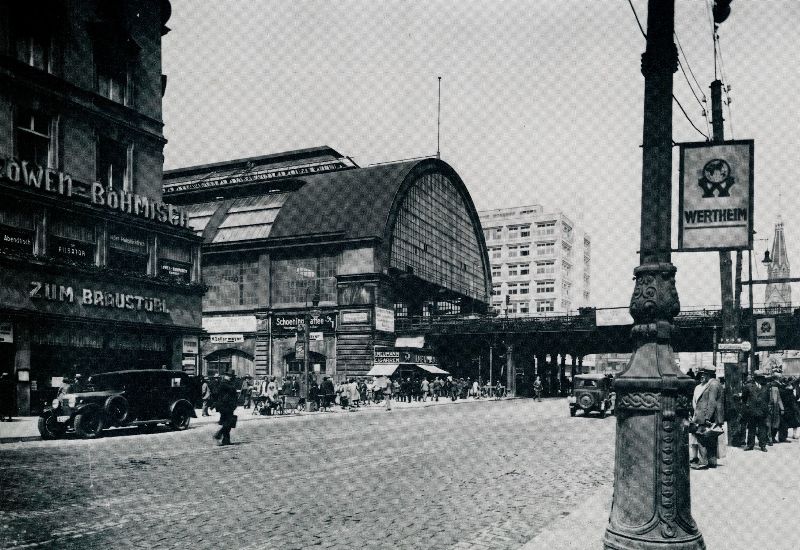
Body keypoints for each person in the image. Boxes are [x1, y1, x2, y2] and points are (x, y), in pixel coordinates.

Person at [690, 366, 724, 469]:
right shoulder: (716, 383)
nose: (702, 376)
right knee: (712, 439)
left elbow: (712, 402)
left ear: (709, 374)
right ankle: (712, 462)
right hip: (714, 416)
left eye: (704, 374)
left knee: (702, 438)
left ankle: (703, 462)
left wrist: (707, 418)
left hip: (707, 417)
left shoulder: (712, 385)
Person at [742, 371, 770, 452]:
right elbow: (744, 398)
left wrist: (765, 408)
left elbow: (768, 398)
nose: (762, 379)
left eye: (762, 377)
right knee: (751, 428)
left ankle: (763, 445)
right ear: (756, 378)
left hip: (762, 411)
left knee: (763, 429)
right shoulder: (748, 386)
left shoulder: (766, 387)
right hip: (752, 411)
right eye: (760, 378)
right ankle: (750, 445)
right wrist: (747, 408)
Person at [212, 371, 238, 446]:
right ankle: (218, 434)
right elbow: (232, 390)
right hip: (225, 406)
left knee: (227, 422)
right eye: (230, 376)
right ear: (226, 376)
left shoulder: (226, 383)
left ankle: (226, 440)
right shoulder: (224, 384)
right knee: (228, 422)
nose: (231, 377)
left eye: (232, 376)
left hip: (227, 406)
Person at [767, 376, 784, 445]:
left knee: (776, 424)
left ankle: (773, 437)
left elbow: (779, 399)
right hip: (768, 408)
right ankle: (769, 439)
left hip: (776, 408)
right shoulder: (766, 388)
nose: (771, 383)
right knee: (768, 424)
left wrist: (782, 408)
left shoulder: (776, 389)